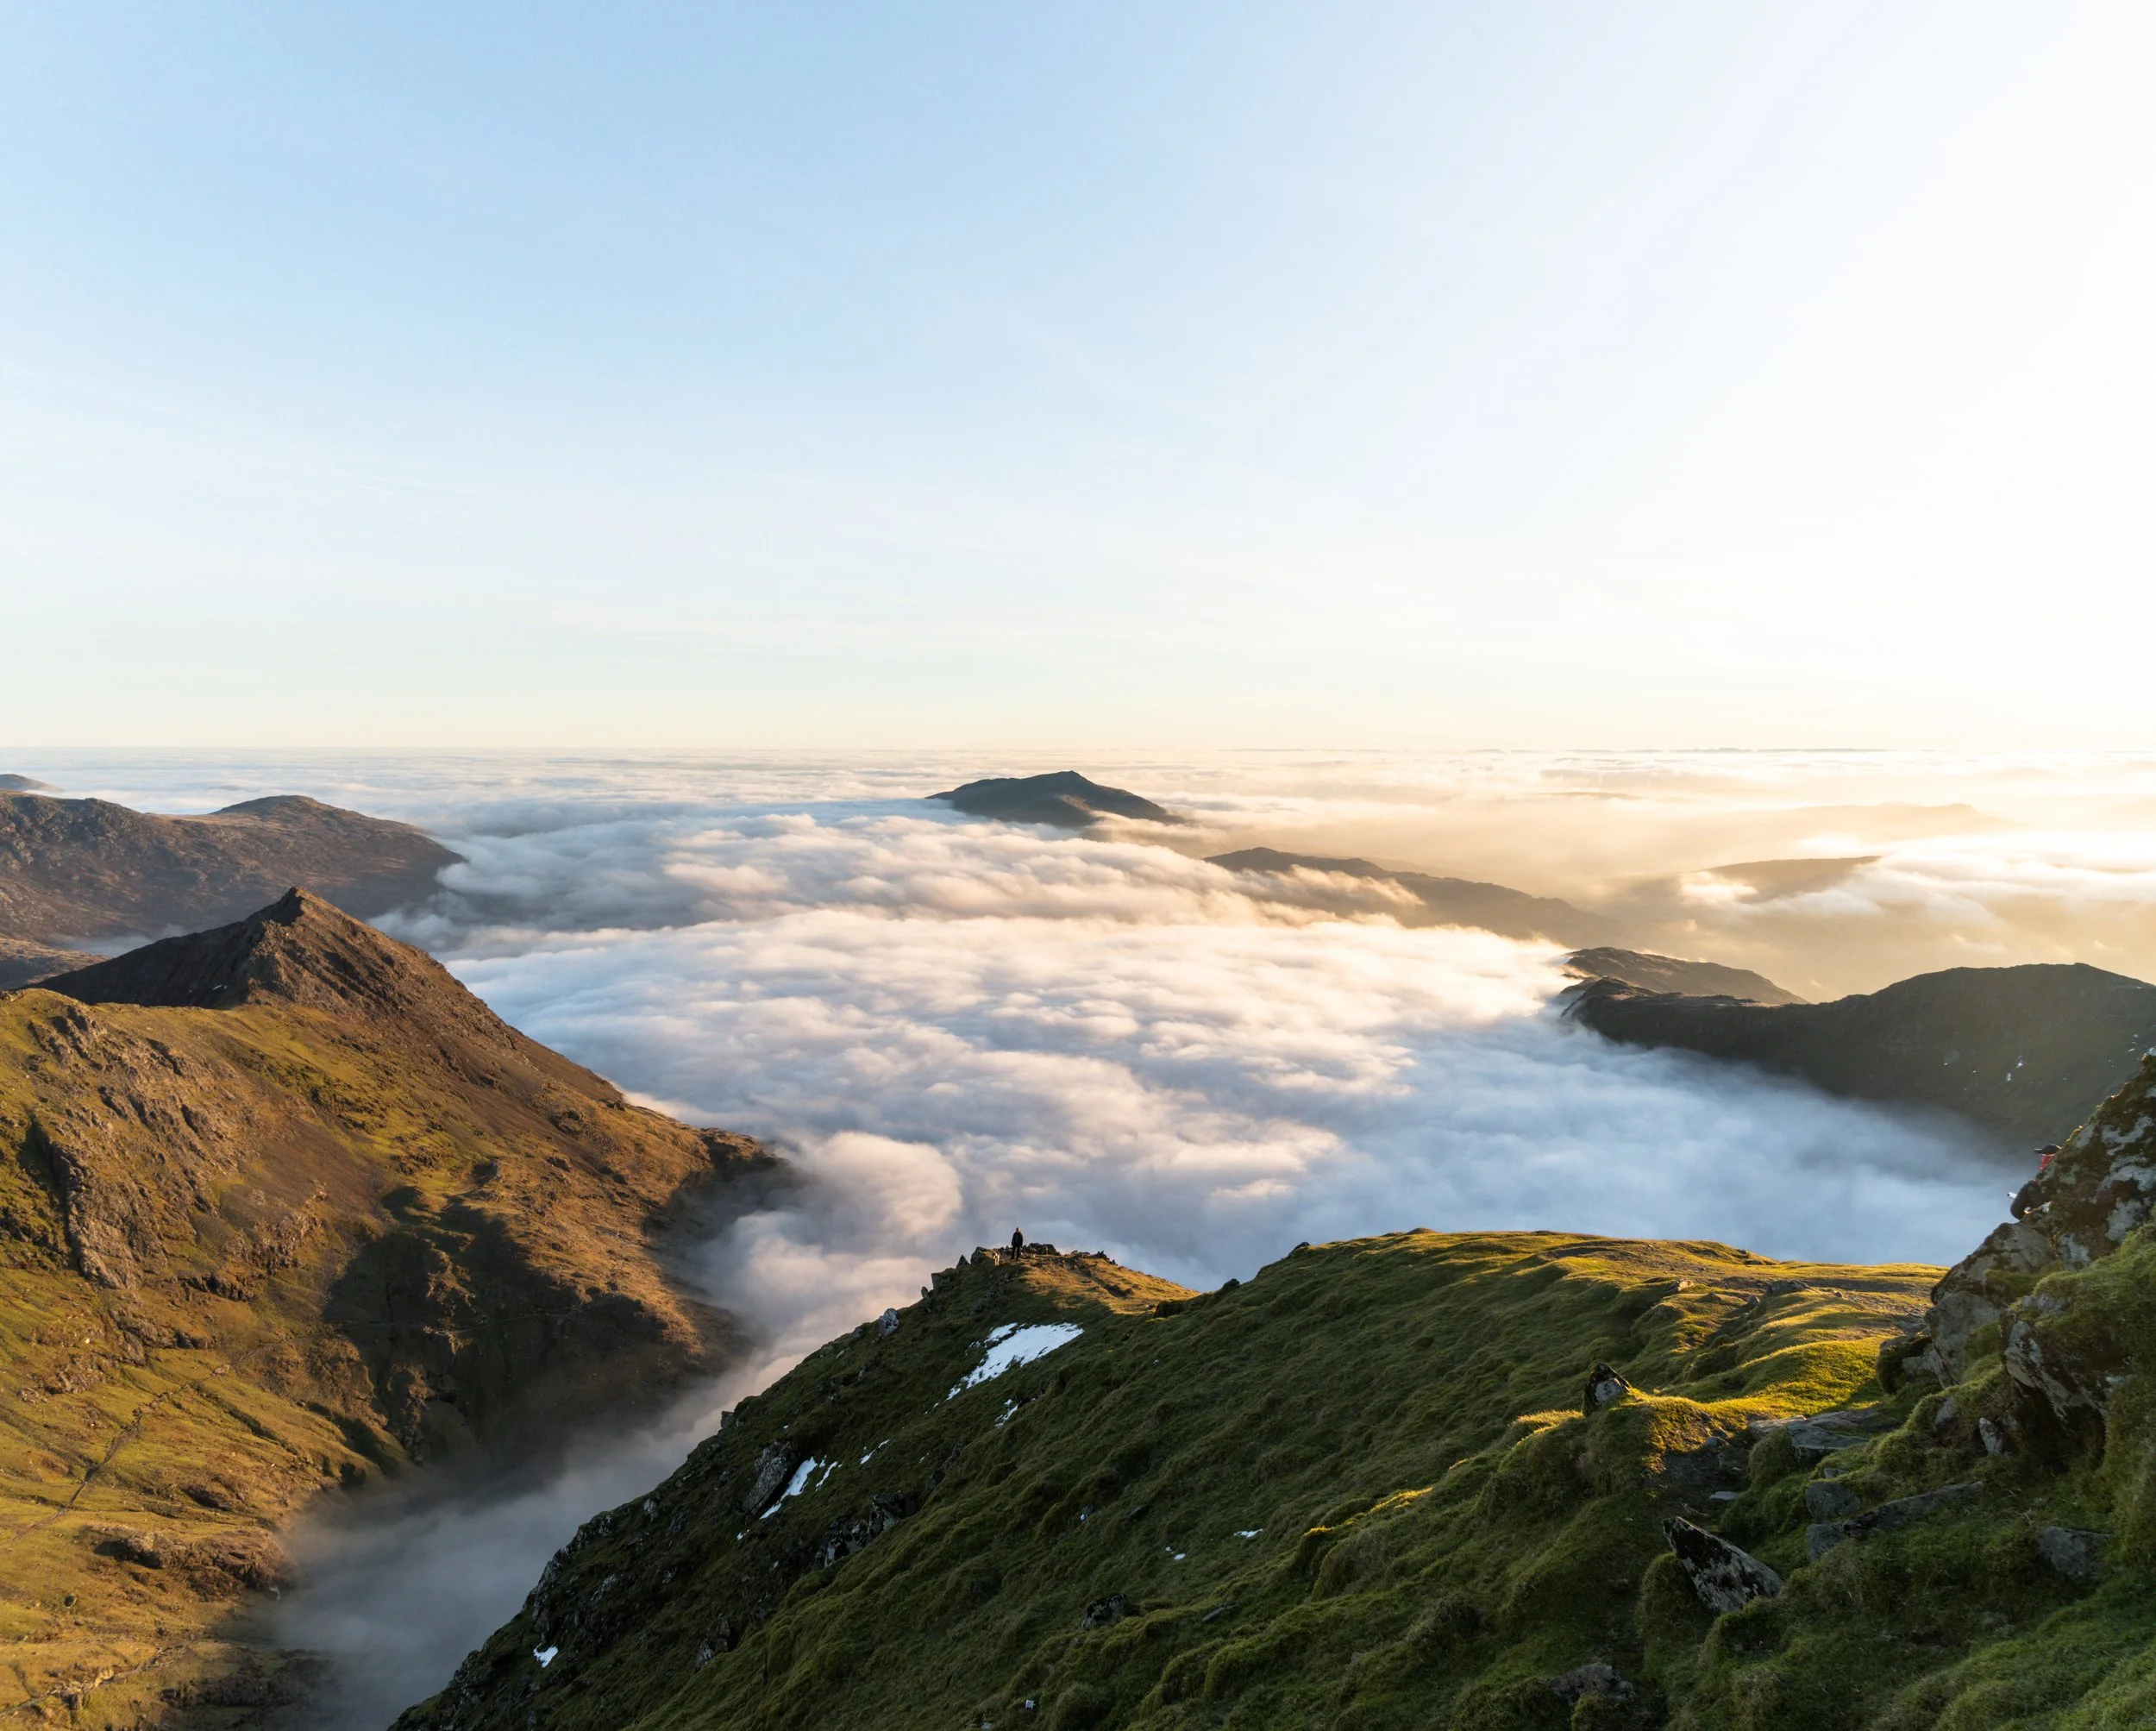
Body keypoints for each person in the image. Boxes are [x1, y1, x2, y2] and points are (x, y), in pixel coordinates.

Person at [2009, 1145, 2061, 1220]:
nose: (2041, 1157)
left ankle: (2031, 1219)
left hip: (2044, 1196)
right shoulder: (2054, 1165)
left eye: (2043, 1155)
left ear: (2049, 1156)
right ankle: (2031, 1216)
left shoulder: (2049, 1165)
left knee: (2028, 1188)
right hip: (2043, 1196)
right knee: (2029, 1188)